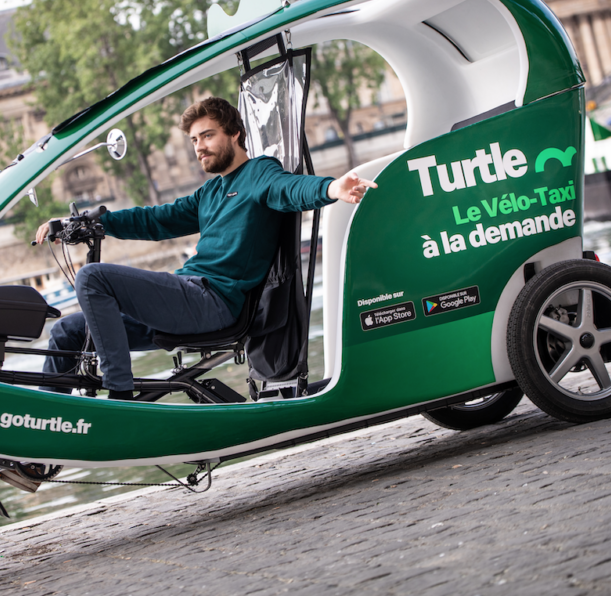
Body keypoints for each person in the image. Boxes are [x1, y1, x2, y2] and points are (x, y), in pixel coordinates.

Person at [34, 97, 376, 399]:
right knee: (69, 330)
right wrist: (77, 224)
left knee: (93, 277)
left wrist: (331, 188)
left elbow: (290, 188)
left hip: (213, 302)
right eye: (195, 140)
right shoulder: (209, 193)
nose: (199, 147)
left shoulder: (259, 173)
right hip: (184, 299)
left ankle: (120, 393)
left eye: (208, 136)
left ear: (234, 134)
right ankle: (45, 430)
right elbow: (155, 219)